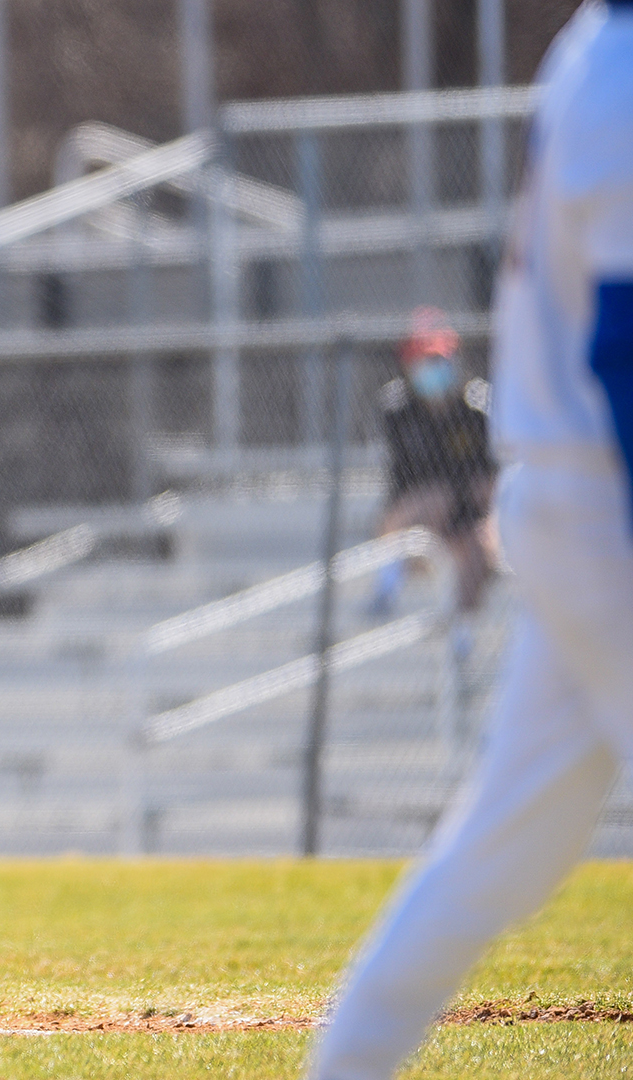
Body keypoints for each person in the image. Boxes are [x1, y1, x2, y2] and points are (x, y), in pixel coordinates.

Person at [306, 4, 633, 1077]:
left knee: (488, 865)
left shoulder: (592, 43)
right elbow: (622, 351)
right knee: (485, 864)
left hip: (575, 508)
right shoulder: (619, 75)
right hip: (604, 504)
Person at [369, 307, 499, 622]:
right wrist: (439, 498)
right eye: (425, 362)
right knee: (423, 506)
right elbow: (402, 482)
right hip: (423, 514)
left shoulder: (477, 408)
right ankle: (385, 589)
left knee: (479, 544)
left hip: (472, 512)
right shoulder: (398, 412)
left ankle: (462, 633)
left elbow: (491, 481)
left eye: (440, 360)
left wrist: (462, 497)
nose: (433, 369)